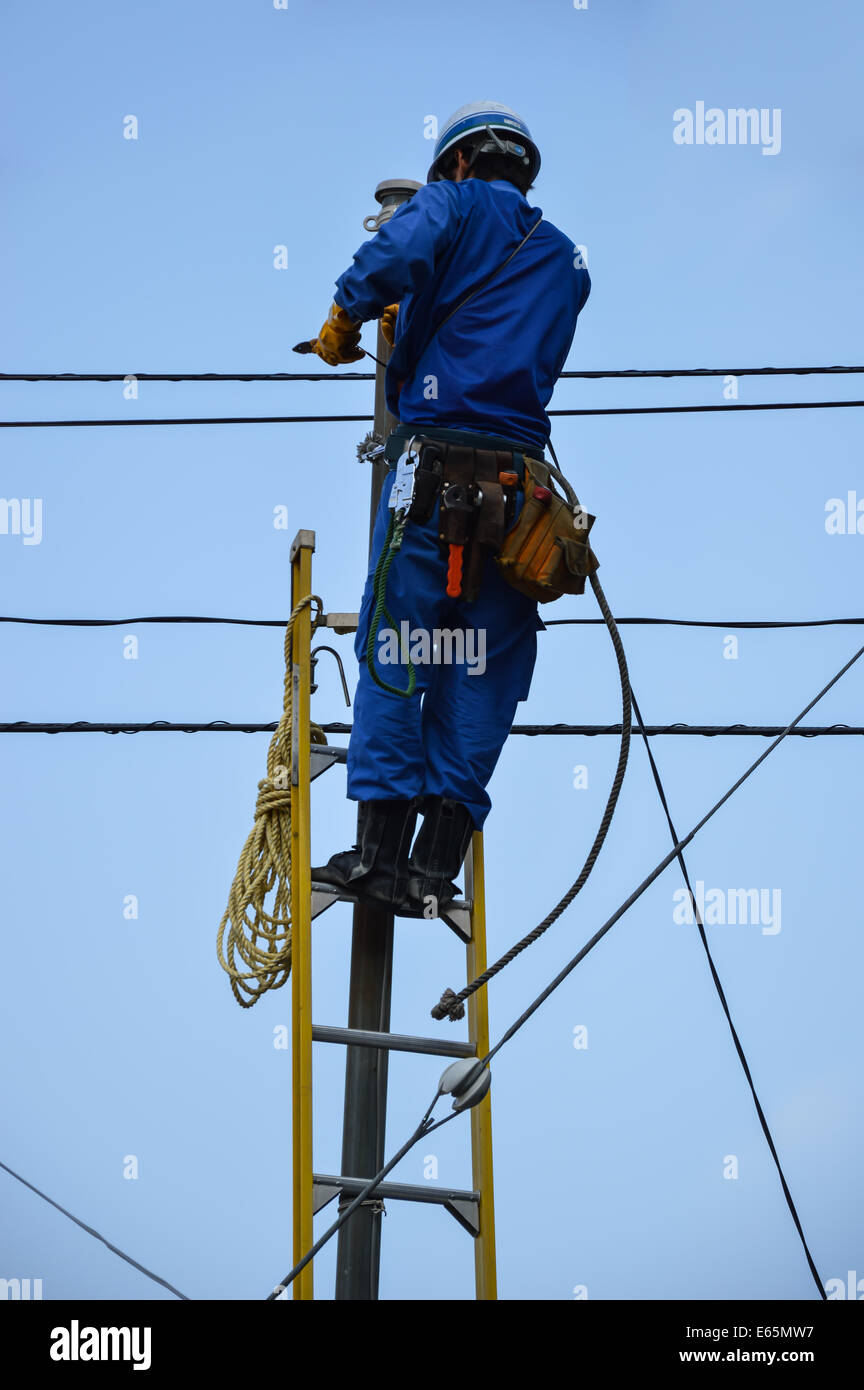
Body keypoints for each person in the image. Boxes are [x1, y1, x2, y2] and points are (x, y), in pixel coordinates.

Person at [309, 101, 591, 918]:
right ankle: (436, 870)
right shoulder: (566, 261)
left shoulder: (454, 205)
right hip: (523, 494)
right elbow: (501, 330)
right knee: (484, 666)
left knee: (397, 648)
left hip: (432, 476)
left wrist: (345, 317)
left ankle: (376, 858)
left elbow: (395, 249)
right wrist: (425, 311)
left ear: (460, 164)